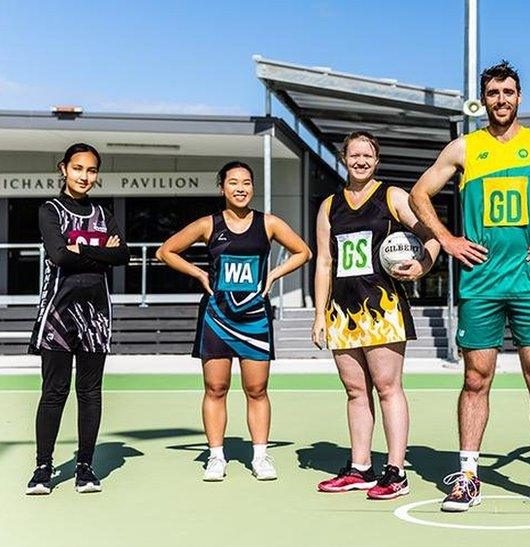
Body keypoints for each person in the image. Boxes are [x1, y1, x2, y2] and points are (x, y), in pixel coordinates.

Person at [409, 61, 530, 513]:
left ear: (520, 97)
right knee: (476, 378)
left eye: (508, 92)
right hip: (481, 282)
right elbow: (420, 194)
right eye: (493, 92)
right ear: (483, 99)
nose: (501, 99)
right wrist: (448, 240)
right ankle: (468, 476)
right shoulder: (463, 148)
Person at [156, 161, 310, 482]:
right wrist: (199, 273)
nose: (240, 188)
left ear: (253, 187)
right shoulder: (208, 224)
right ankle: (215, 456)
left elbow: (303, 252)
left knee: (256, 389)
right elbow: (166, 251)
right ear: (222, 188)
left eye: (246, 183)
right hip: (217, 316)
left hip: (255, 318)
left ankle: (260, 456)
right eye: (233, 183)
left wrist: (273, 275)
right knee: (216, 387)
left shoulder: (268, 223)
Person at [312, 131, 440, 500]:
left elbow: (433, 233)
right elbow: (324, 261)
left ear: (377, 160)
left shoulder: (392, 196)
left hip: (383, 308)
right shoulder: (329, 206)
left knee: (387, 388)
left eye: (368, 155)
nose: (361, 161)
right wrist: (320, 314)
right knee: (355, 391)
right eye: (355, 155)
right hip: (342, 310)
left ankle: (396, 471)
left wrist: (422, 265)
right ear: (344, 158)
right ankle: (360, 467)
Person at [26, 143, 129, 495]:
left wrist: (81, 249)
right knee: (54, 392)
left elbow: (122, 256)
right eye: (78, 168)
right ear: (64, 169)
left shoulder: (103, 211)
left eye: (91, 170)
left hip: (96, 315)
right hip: (58, 313)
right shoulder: (49, 210)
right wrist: (101, 253)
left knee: (90, 392)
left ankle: (86, 467)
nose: (85, 176)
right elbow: (57, 255)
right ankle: (43, 468)